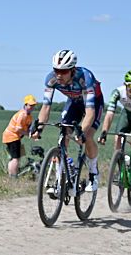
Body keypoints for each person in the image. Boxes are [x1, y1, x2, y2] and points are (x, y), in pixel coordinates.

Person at [30, 49, 104, 193]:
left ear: (73, 70)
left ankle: (94, 173)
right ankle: (61, 179)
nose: (59, 75)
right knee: (64, 133)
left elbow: (89, 112)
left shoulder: (85, 77)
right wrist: (39, 128)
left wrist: (81, 131)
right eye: (56, 70)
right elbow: (46, 107)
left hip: (93, 103)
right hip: (74, 103)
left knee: (87, 137)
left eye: (63, 72)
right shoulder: (50, 79)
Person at [99, 69, 131, 191]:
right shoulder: (117, 92)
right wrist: (104, 131)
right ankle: (121, 169)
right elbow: (110, 114)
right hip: (127, 114)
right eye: (130, 85)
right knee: (118, 138)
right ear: (125, 84)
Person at [3, 95, 38, 178]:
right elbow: (18, 129)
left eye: (33, 105)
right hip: (12, 137)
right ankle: (13, 177)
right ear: (25, 105)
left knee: (15, 157)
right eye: (30, 105)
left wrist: (33, 133)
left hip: (13, 137)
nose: (32, 107)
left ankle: (12, 175)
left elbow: (28, 127)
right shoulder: (23, 115)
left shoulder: (29, 116)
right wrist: (29, 135)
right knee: (16, 158)